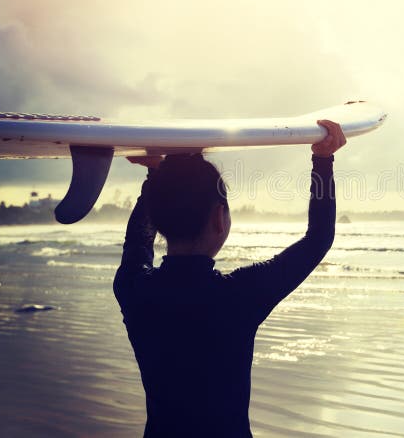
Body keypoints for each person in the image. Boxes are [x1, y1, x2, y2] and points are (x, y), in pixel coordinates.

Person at [113, 119, 346, 437]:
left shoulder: (133, 289)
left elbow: (137, 241)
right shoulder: (239, 296)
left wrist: (157, 174)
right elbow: (319, 238)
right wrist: (323, 159)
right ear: (219, 219)